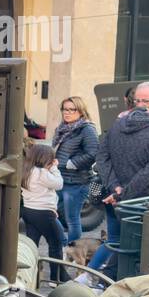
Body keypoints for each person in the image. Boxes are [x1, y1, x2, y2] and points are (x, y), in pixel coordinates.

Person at [90, 85, 149, 276]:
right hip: (148, 205)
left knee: (120, 246)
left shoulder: (120, 122)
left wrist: (116, 188)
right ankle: (101, 283)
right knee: (139, 257)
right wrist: (121, 192)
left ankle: (96, 280)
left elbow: (102, 158)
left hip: (119, 200)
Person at [51, 95, 99, 250]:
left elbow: (93, 153)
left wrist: (72, 163)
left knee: (72, 220)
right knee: (51, 214)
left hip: (77, 182)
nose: (67, 113)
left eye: (72, 109)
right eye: (65, 109)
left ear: (81, 111)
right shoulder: (62, 128)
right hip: (60, 179)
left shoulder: (87, 129)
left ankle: (73, 250)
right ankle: (62, 245)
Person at [20, 143, 66, 284]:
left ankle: (30, 276)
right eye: (51, 160)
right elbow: (59, 184)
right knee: (56, 243)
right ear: (45, 159)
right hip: (44, 213)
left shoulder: (26, 170)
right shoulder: (42, 173)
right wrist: (54, 168)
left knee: (32, 245)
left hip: (28, 211)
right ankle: (56, 278)